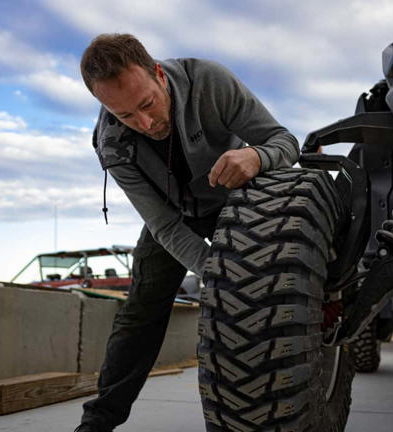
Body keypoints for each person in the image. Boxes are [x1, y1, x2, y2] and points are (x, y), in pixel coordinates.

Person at [75, 34, 299, 432]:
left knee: (271, 290)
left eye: (147, 104)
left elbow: (285, 142)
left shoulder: (208, 82)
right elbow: (162, 224)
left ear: (159, 74)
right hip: (174, 218)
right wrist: (213, 270)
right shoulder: (110, 143)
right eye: (126, 115)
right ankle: (97, 423)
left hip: (238, 199)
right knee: (140, 314)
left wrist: (256, 154)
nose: (144, 124)